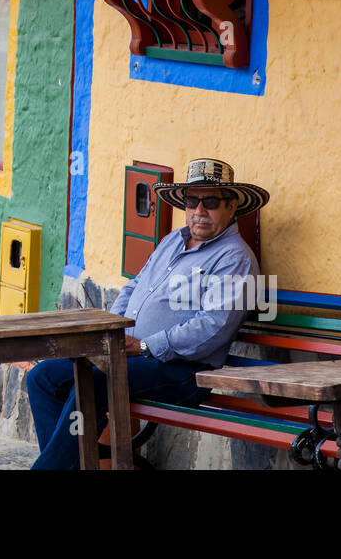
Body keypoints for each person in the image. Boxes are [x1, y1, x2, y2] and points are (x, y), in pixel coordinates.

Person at [26, 158, 268, 469]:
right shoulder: (173, 241)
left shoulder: (234, 258)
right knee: (43, 377)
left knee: (95, 382)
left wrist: (143, 346)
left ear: (231, 207)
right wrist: (111, 330)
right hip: (129, 355)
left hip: (182, 370)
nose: (199, 210)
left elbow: (213, 328)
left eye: (210, 202)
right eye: (192, 201)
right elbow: (134, 286)